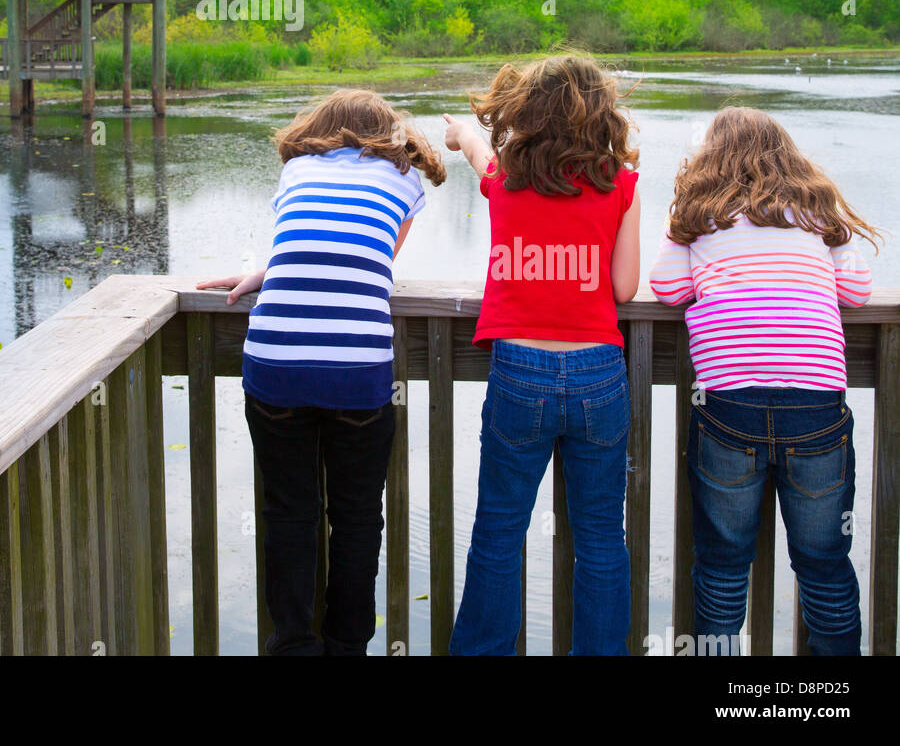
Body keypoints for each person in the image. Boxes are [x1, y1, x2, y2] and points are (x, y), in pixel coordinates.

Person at [198, 88, 445, 654]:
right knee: (357, 519)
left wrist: (267, 272)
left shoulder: (298, 170)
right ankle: (347, 644)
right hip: (356, 370)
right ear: (386, 133)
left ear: (320, 127)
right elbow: (375, 256)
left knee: (289, 512)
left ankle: (292, 642)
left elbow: (305, 247)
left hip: (276, 360)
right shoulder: (404, 180)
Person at [650, 106, 880, 656]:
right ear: (787, 153)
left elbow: (666, 288)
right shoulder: (816, 210)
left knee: (724, 565)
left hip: (729, 407)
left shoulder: (698, 212)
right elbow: (858, 292)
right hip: (817, 409)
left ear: (711, 155)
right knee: (823, 561)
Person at [444, 54, 640, 655]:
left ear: (525, 114)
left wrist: (462, 133)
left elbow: (479, 154)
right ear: (600, 115)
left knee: (500, 530)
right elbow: (625, 289)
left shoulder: (505, 180)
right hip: (598, 374)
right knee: (602, 537)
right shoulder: (619, 183)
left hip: (520, 371)